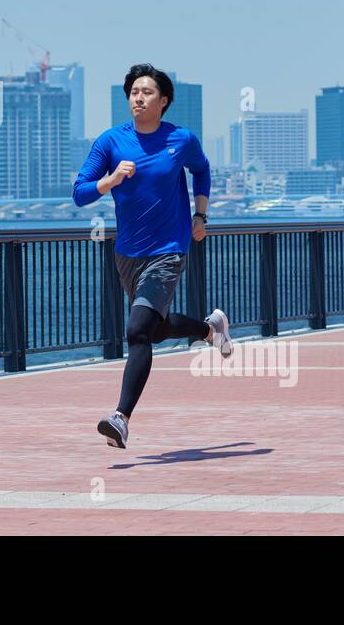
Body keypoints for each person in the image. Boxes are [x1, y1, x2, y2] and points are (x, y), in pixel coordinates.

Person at [73, 63, 233, 449]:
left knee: (136, 331)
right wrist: (109, 181)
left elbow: (203, 171)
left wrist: (200, 214)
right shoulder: (110, 142)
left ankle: (121, 418)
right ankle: (210, 330)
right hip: (128, 253)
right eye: (133, 92)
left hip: (168, 250)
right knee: (154, 329)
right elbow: (79, 192)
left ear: (163, 101)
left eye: (147, 92)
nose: (138, 98)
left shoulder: (180, 140)